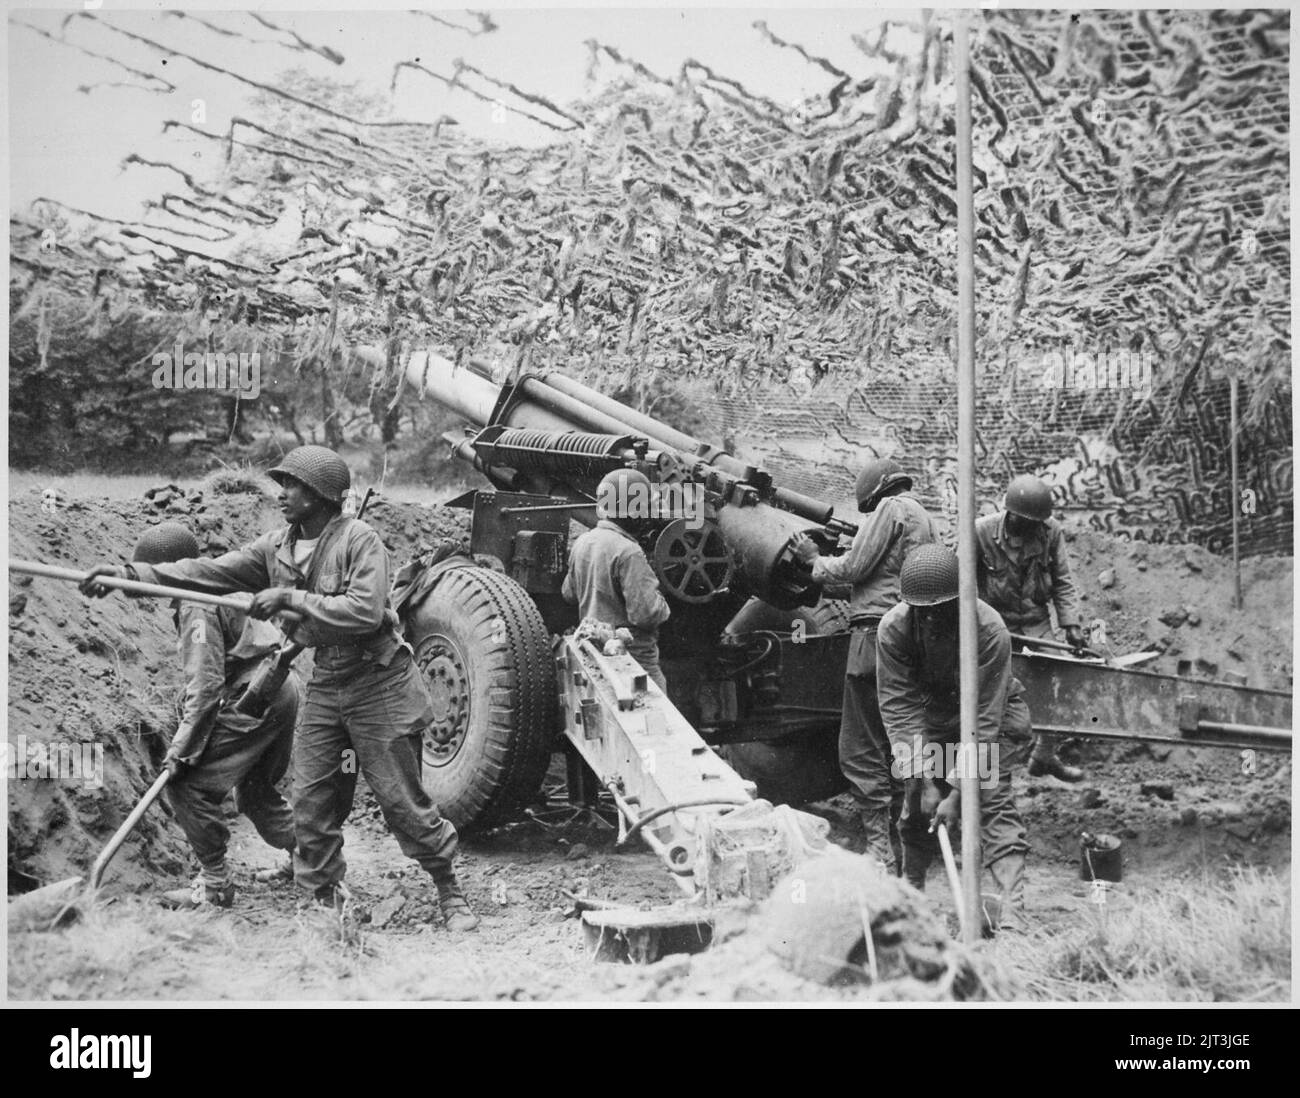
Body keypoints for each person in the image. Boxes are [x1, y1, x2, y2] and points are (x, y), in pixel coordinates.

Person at [81, 446, 478, 931]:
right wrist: (131, 576)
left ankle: (448, 890)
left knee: (402, 802)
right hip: (328, 683)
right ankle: (323, 907)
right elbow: (208, 572)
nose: (281, 493)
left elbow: (365, 611)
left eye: (291, 485)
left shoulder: (359, 540)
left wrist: (291, 598)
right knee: (313, 803)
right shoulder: (275, 548)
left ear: (319, 495)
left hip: (381, 682)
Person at [131, 522, 300, 910]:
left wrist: (181, 750)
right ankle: (311, 856)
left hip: (255, 695)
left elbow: (205, 690)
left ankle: (215, 884)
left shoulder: (196, 604)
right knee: (255, 790)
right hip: (279, 688)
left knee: (186, 785)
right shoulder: (218, 585)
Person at [790, 458, 936, 874]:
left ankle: (881, 850)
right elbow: (865, 578)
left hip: (873, 638)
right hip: (910, 634)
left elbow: (854, 569)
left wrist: (813, 558)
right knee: (899, 738)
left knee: (859, 745)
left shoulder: (890, 510)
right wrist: (825, 572)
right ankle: (907, 842)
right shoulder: (923, 517)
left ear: (874, 491)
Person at [876, 544, 1031, 931]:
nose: (930, 619)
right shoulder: (894, 629)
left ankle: (1013, 913)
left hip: (987, 717)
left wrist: (960, 792)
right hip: (932, 718)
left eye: (940, 610)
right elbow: (900, 708)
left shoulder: (990, 629)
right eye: (921, 612)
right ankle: (911, 899)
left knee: (991, 803)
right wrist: (926, 782)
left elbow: (983, 719)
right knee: (916, 806)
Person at [975, 473, 1086, 782]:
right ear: (1011, 515)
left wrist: (1071, 625)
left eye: (1039, 522)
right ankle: (990, 770)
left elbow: (1062, 581)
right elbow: (962, 585)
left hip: (1035, 620)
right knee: (993, 692)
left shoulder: (1050, 531)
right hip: (995, 624)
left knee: (1061, 678)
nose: (1035, 527)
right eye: (1028, 522)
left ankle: (1045, 756)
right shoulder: (981, 532)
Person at [562, 468, 671, 692]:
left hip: (594, 651)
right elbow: (647, 614)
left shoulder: (583, 542)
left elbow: (569, 593)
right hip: (634, 659)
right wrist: (660, 594)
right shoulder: (628, 552)